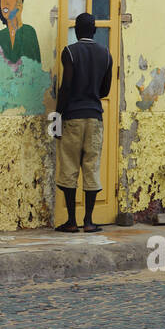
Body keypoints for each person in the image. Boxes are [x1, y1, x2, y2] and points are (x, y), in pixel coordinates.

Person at [54, 12, 113, 232]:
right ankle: (88, 221)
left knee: (69, 166)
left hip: (72, 117)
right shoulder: (106, 54)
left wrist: (57, 116)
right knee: (91, 167)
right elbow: (105, 89)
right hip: (95, 118)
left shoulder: (69, 52)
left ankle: (71, 221)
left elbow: (66, 87)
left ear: (76, 31)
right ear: (95, 30)